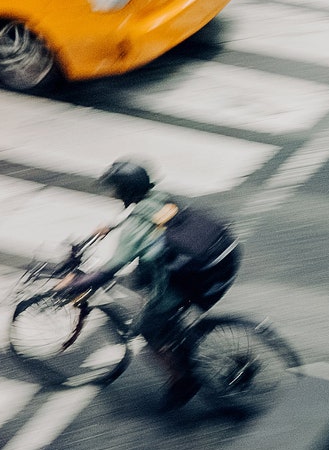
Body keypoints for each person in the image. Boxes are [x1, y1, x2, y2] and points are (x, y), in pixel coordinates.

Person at [53, 162, 211, 409]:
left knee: (146, 328)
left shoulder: (133, 232)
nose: (113, 194)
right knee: (139, 284)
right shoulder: (158, 196)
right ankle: (178, 335)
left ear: (126, 190)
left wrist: (74, 283)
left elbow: (108, 271)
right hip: (198, 265)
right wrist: (112, 226)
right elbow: (141, 215)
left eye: (116, 189)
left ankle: (183, 381)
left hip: (176, 281)